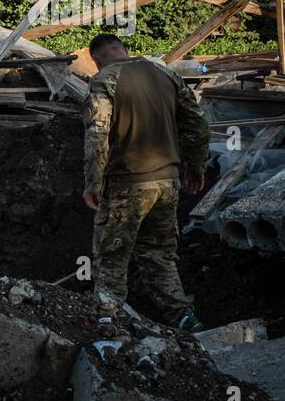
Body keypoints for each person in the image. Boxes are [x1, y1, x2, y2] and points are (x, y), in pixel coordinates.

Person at [82, 33, 209, 330]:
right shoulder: (165, 73)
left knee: (111, 257)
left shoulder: (104, 80)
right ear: (123, 49)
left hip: (127, 184)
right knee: (159, 254)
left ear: (96, 59)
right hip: (167, 182)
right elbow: (198, 124)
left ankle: (107, 322)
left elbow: (97, 134)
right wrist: (196, 167)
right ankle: (183, 318)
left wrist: (93, 182)